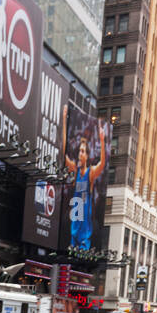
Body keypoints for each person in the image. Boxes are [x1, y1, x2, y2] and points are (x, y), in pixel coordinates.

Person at [62, 106, 107, 252]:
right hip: (74, 223)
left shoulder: (91, 173)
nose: (80, 154)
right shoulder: (75, 170)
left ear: (87, 155)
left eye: (82, 151)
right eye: (79, 151)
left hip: (85, 227)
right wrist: (63, 121)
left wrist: (102, 140)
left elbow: (102, 164)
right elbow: (64, 153)